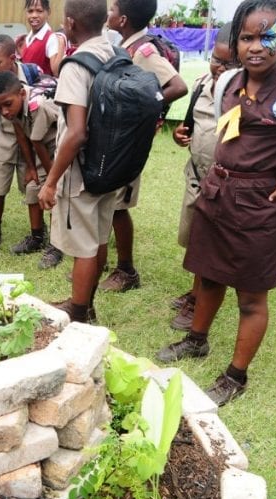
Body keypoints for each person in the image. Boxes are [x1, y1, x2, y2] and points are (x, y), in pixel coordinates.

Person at [155, 0, 276, 406]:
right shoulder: (229, 83)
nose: (256, 46)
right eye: (247, 37)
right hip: (217, 195)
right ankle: (197, 340)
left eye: (267, 36)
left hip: (261, 206)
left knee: (251, 297)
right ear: (236, 40)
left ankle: (235, 377)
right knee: (208, 276)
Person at [37, 0, 116, 324]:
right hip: (109, 164)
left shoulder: (75, 65)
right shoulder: (114, 52)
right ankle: (87, 301)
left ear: (69, 24)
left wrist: (51, 181)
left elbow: (75, 132)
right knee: (97, 238)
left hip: (82, 169)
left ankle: (79, 313)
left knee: (83, 247)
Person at [101, 0, 188, 293]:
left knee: (118, 205)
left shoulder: (144, 51)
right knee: (105, 201)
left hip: (130, 141)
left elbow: (178, 86)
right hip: (117, 137)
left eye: (112, 10)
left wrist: (146, 106)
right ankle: (98, 261)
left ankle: (126, 270)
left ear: (123, 19)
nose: (108, 14)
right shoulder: (124, 46)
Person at [168, 23, 236, 332]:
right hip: (196, 176)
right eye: (217, 60)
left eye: (229, 63)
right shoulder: (201, 85)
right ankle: (195, 291)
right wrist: (182, 135)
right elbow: (189, 127)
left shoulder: (244, 94)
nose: (221, 68)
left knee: (207, 245)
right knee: (193, 237)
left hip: (223, 186)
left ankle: (197, 300)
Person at [0, 34, 63, 269]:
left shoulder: (35, 103)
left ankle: (56, 246)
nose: (4, 111)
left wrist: (50, 180)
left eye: (7, 105)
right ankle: (37, 237)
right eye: (0, 107)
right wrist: (32, 171)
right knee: (34, 188)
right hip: (31, 146)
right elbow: (21, 134)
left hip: (55, 148)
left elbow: (36, 141)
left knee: (50, 192)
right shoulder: (9, 105)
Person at [19, 0, 66, 76]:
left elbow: (56, 71)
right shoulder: (28, 37)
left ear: (48, 12)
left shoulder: (51, 38)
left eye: (39, 11)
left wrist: (61, 44)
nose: (34, 15)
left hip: (42, 87)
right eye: (30, 11)